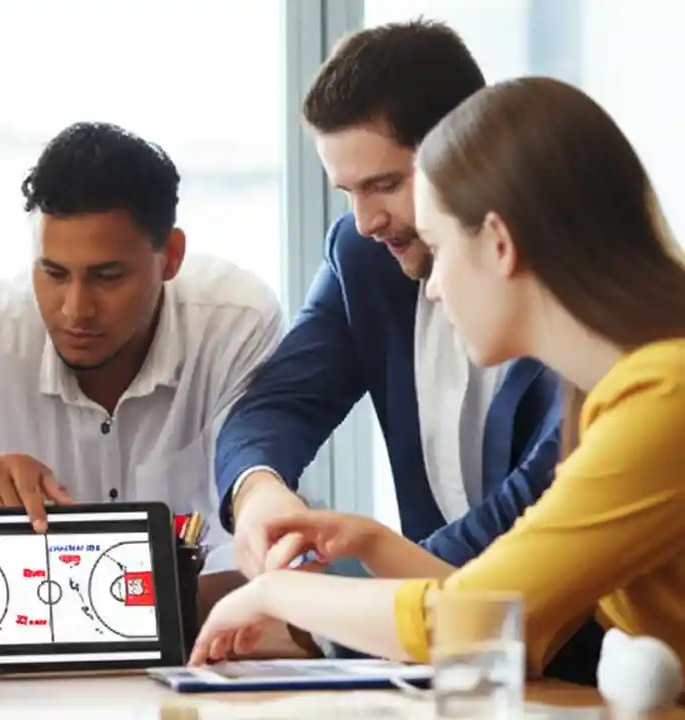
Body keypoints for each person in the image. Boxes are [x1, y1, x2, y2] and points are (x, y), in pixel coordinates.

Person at [192, 78, 685, 684]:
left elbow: (470, 624)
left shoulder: (666, 395)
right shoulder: (620, 388)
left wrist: (273, 593)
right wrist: (372, 542)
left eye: (438, 246)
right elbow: (498, 604)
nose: (433, 285)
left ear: (500, 244)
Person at [216, 20, 561, 578]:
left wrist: (317, 605)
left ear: (471, 154)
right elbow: (277, 405)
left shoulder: (573, 317)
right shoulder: (364, 257)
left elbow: (520, 526)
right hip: (435, 644)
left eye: (384, 185)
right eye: (348, 191)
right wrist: (259, 493)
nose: (365, 222)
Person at [0, 122, 284, 581]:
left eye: (107, 277)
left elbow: (264, 544)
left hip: (204, 644)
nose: (75, 310)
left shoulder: (236, 326)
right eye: (54, 272)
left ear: (172, 257)